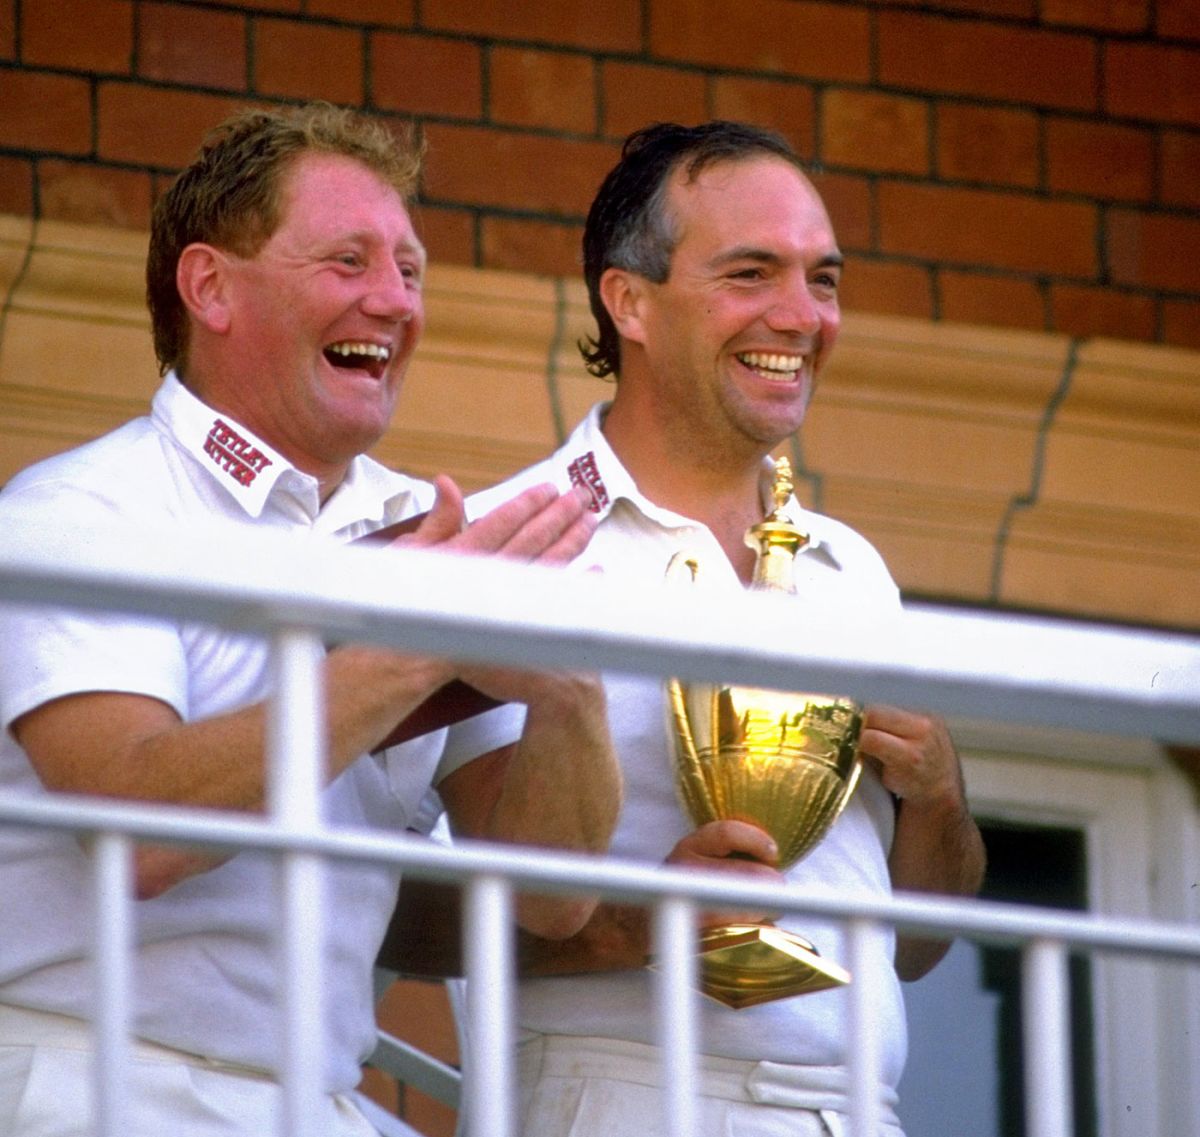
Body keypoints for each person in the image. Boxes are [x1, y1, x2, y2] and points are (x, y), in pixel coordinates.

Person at [0, 102, 621, 1137]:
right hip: (93, 1084)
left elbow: (552, 898)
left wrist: (568, 680)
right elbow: (138, 838)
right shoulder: (80, 514)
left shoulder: (427, 533)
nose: (393, 301)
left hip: (321, 1105)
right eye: (348, 262)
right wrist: (417, 640)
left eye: (410, 271)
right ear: (210, 288)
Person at [471, 121, 987, 1137]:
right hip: (625, 1093)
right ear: (630, 302)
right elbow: (434, 911)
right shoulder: (518, 540)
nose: (800, 316)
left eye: (823, 280)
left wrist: (937, 797)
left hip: (857, 1112)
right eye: (752, 273)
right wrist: (640, 926)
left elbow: (920, 944)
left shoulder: (852, 569)